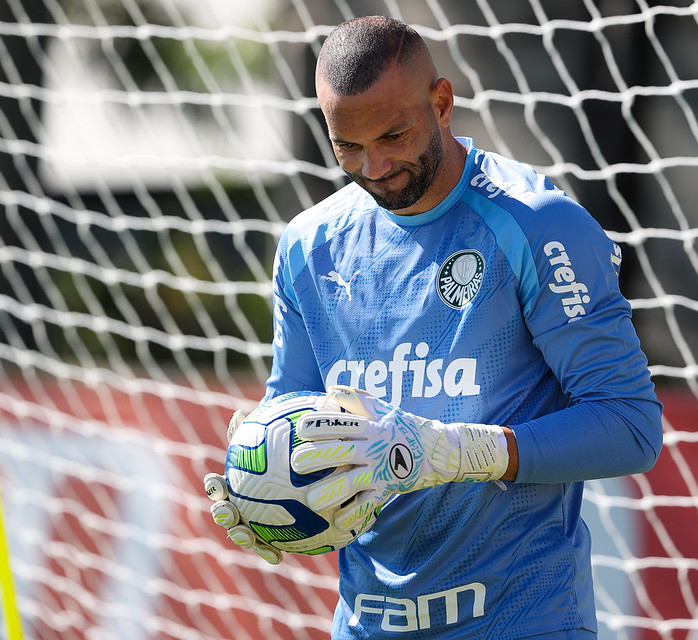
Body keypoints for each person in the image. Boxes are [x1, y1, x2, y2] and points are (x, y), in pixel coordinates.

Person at [208, 15, 663, 640]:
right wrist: (259, 481)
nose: (374, 166)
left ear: (442, 103)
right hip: (367, 624)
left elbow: (629, 425)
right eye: (348, 146)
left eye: (393, 136)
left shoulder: (538, 224)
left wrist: (458, 452)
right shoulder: (309, 246)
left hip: (523, 620)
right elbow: (295, 408)